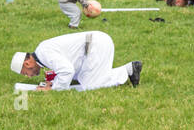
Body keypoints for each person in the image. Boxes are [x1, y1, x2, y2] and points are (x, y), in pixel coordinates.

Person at [10, 31, 142, 91]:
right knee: (82, 79)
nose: (28, 76)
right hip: (95, 43)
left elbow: (67, 70)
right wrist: (52, 82)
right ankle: (126, 70)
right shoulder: (42, 52)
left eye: (25, 72)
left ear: (27, 63)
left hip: (95, 45)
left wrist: (54, 89)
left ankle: (128, 69)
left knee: (90, 86)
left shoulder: (44, 54)